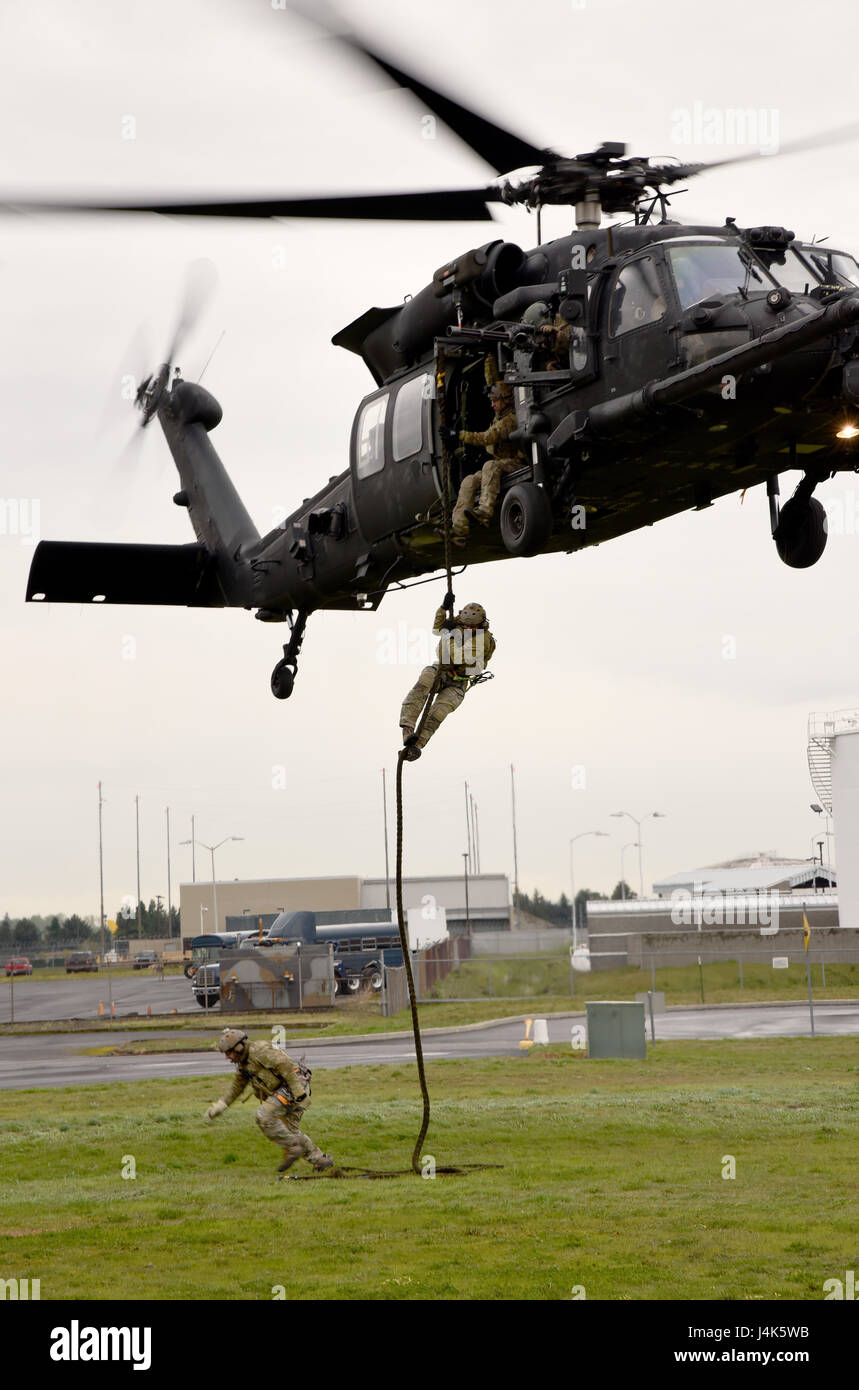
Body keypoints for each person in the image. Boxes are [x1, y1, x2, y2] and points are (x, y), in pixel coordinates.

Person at [206, 1028, 334, 1176]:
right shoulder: (243, 1065)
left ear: (239, 1048)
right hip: (287, 1090)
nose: (227, 1057)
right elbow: (237, 1088)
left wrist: (298, 1092)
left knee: (263, 1116)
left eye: (229, 1053)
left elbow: (284, 1064)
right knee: (289, 1132)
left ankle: (293, 1147)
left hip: (292, 1085)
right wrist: (222, 1105)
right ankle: (321, 1160)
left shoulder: (259, 1051)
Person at [399, 599, 495, 759]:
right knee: (424, 682)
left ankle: (416, 745)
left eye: (471, 628)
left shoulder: (482, 639)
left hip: (458, 681)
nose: (467, 629)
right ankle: (407, 728)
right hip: (442, 670)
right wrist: (443, 608)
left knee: (439, 712)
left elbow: (458, 657)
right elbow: (437, 627)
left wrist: (449, 636)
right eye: (465, 626)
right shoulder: (456, 623)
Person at [450, 357, 526, 545]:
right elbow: (492, 382)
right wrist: (489, 359)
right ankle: (459, 529)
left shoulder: (510, 420)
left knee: (489, 465)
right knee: (469, 481)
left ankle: (484, 512)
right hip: (502, 465)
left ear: (505, 400)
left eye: (495, 401)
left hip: (516, 464)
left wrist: (458, 435)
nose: (492, 405)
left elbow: (486, 438)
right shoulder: (500, 415)